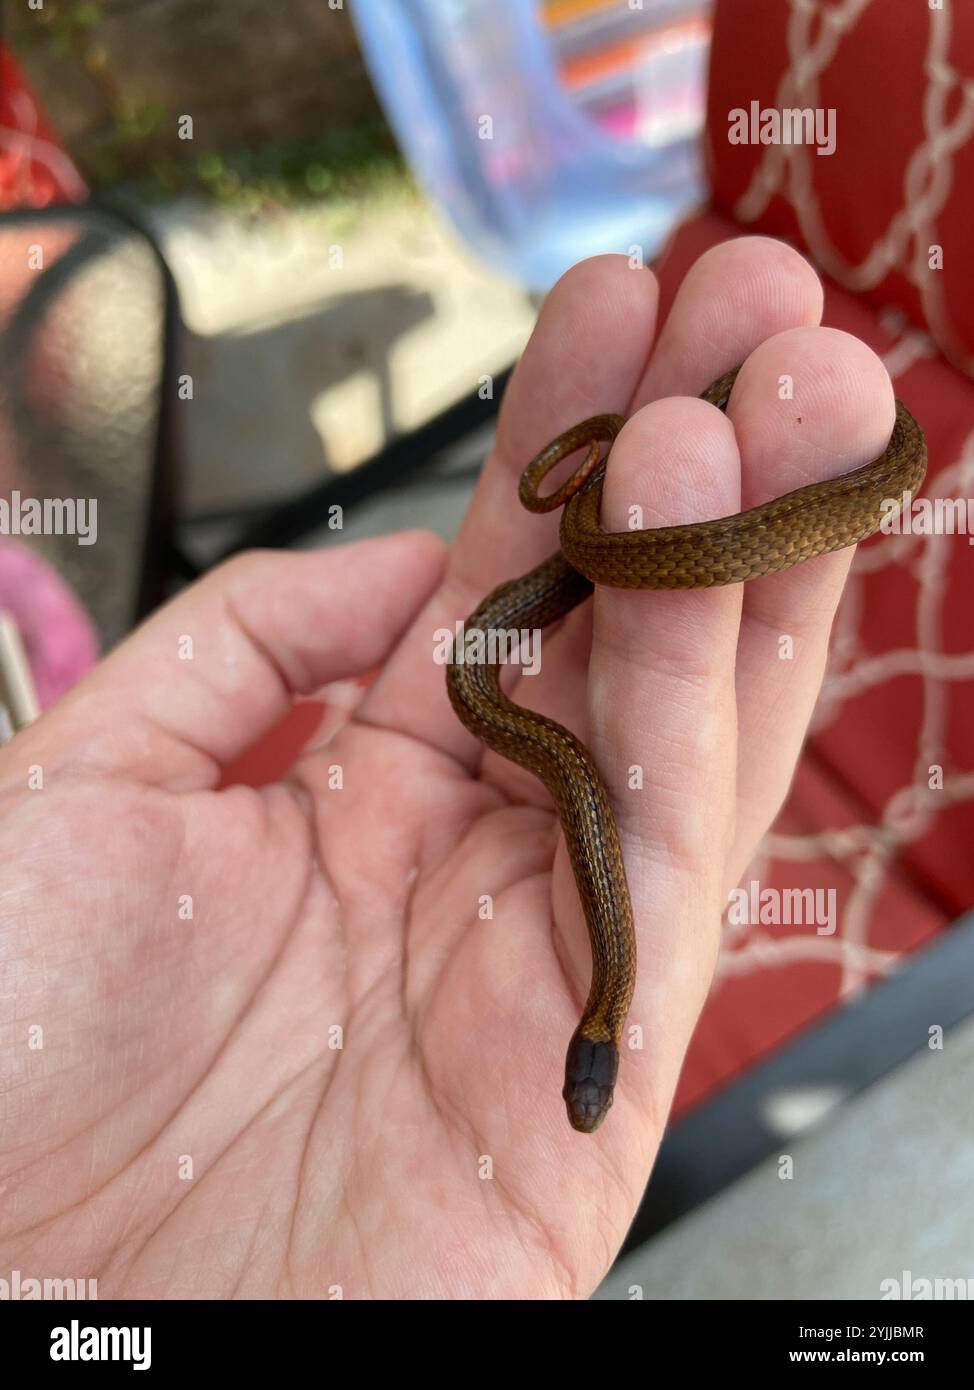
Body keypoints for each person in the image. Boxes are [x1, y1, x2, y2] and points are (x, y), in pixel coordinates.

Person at [0, 237, 897, 1298]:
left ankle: (691, 479)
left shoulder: (610, 974)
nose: (581, 1103)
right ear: (586, 1054)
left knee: (745, 453)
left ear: (586, 1050)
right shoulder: (610, 971)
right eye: (584, 1093)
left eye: (583, 1089)